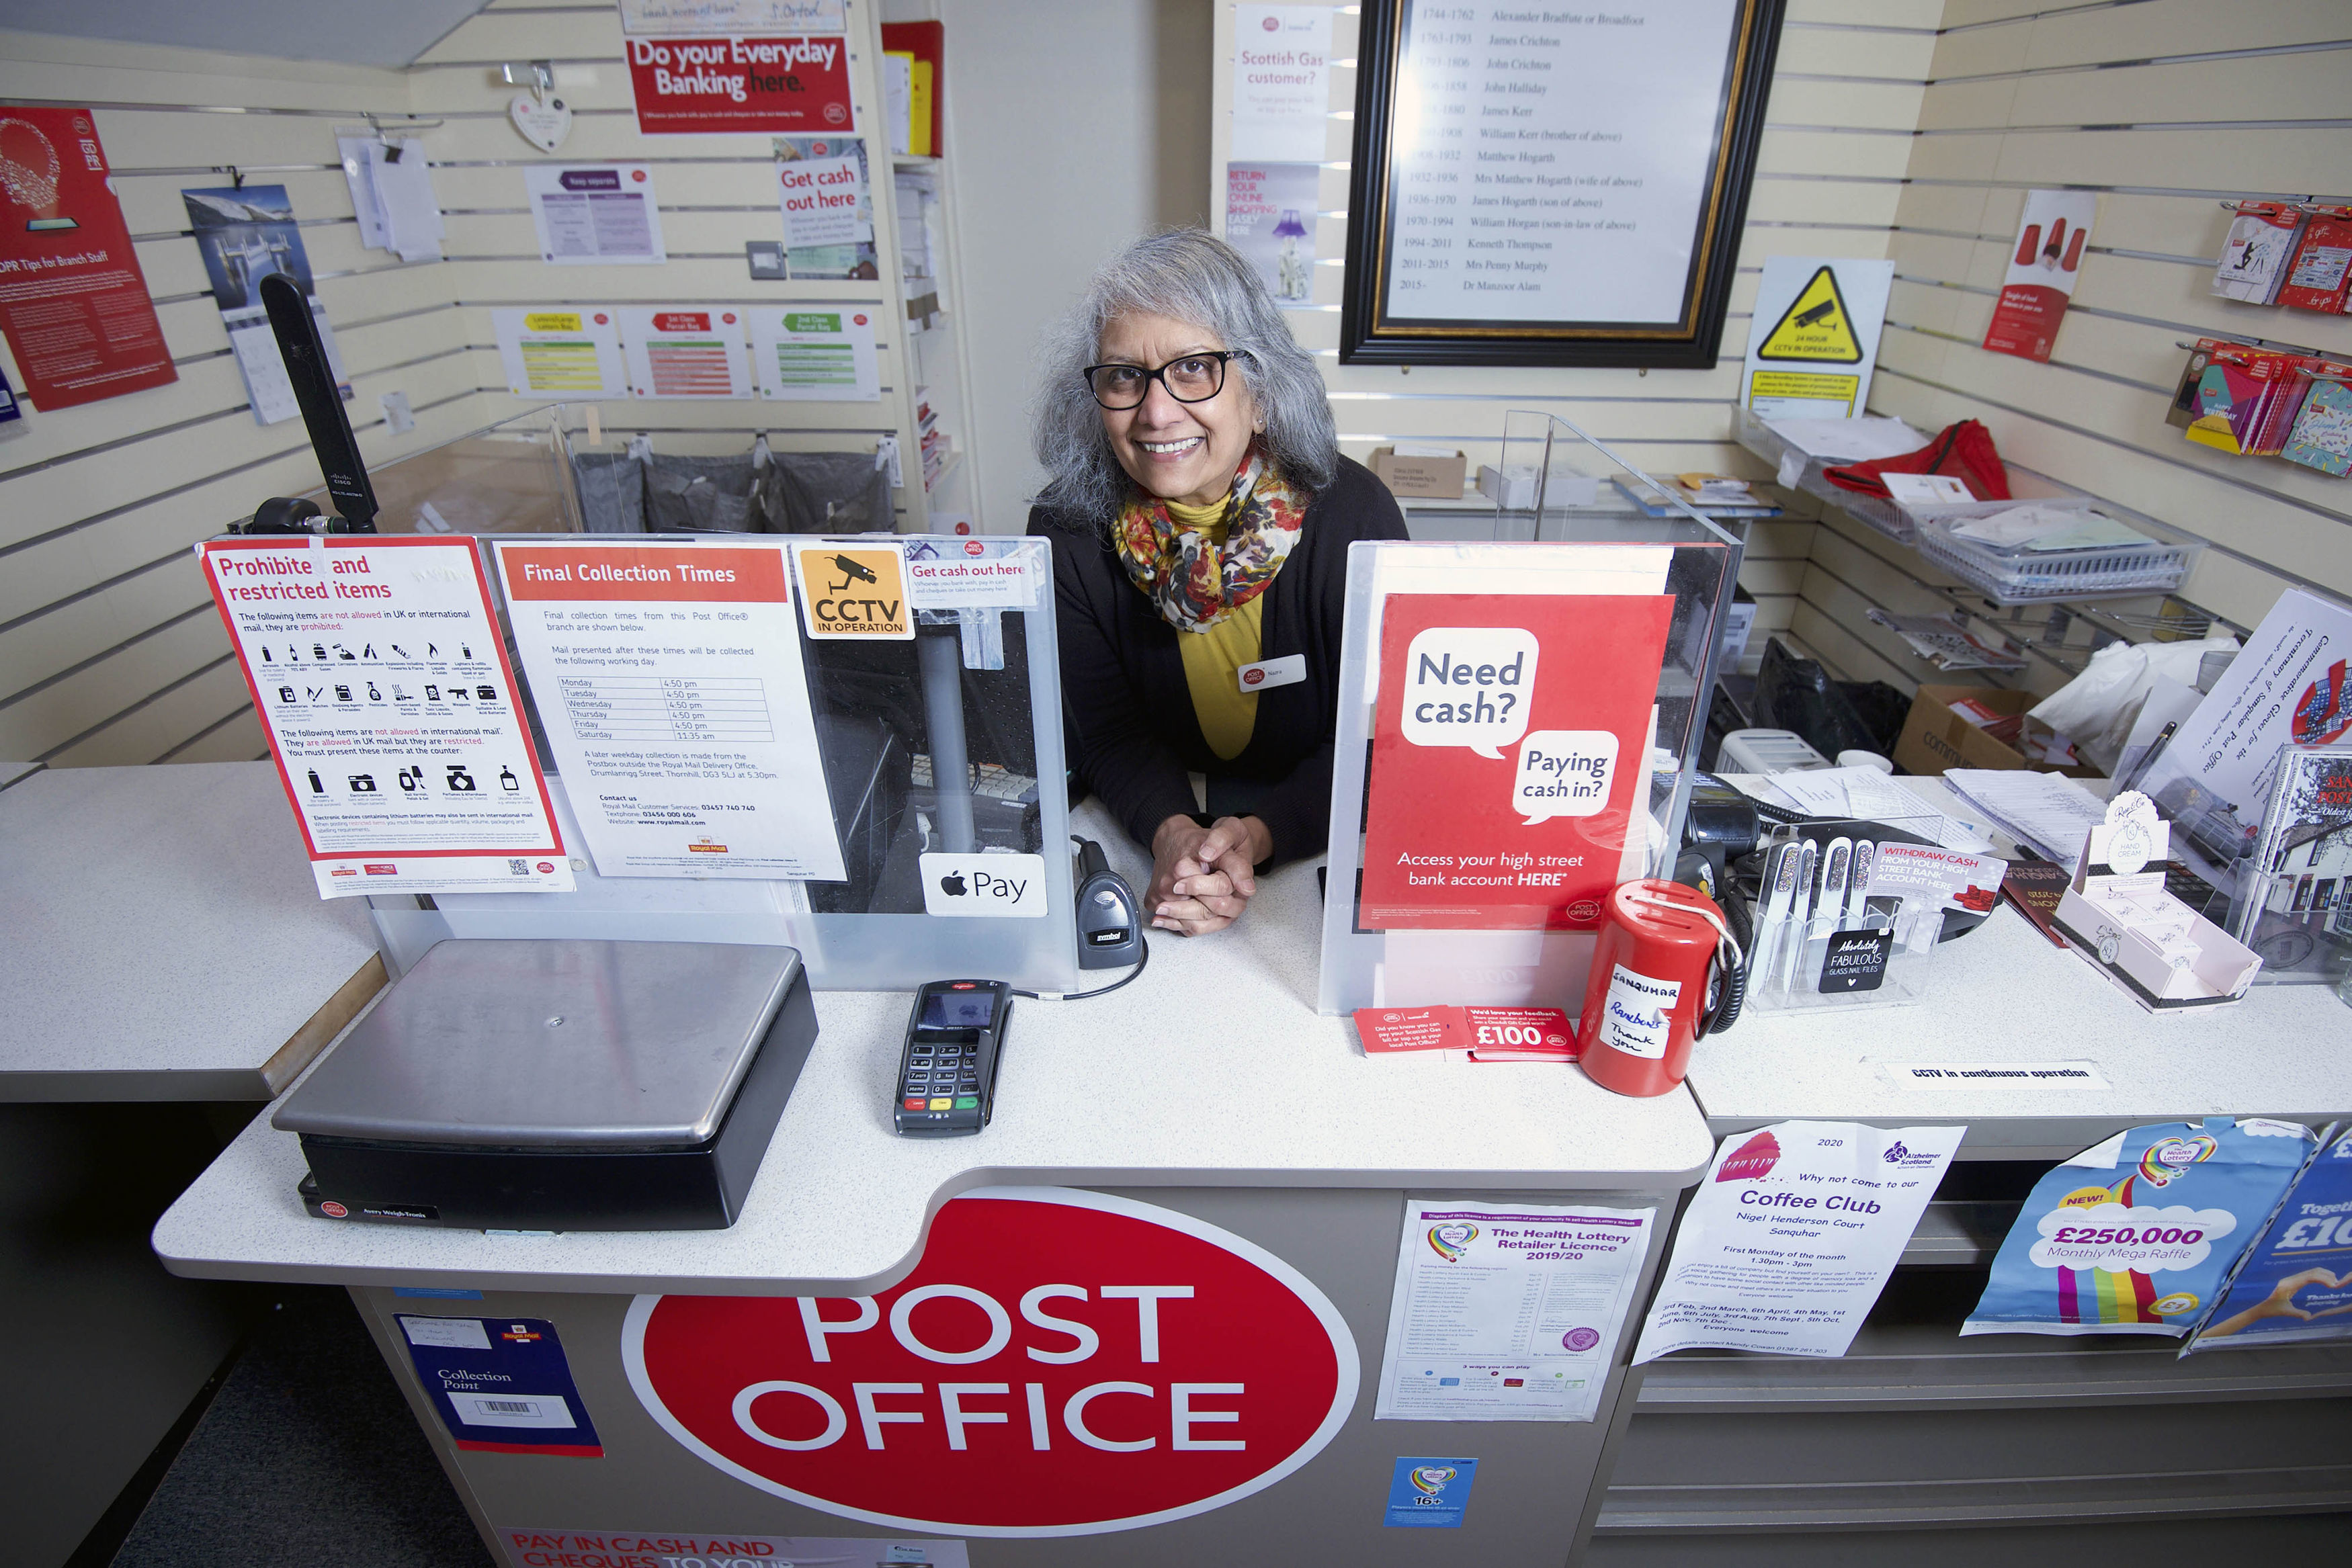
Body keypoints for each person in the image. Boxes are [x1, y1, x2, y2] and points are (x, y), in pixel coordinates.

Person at [1028, 230, 1407, 937]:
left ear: (1260, 393)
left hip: (1312, 851)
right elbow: (1106, 733)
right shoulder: (1066, 530)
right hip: (1151, 831)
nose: (1156, 412)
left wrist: (1260, 836)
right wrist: (1172, 836)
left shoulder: (1353, 514)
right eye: (1123, 377)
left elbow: (1376, 736)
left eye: (1194, 369)